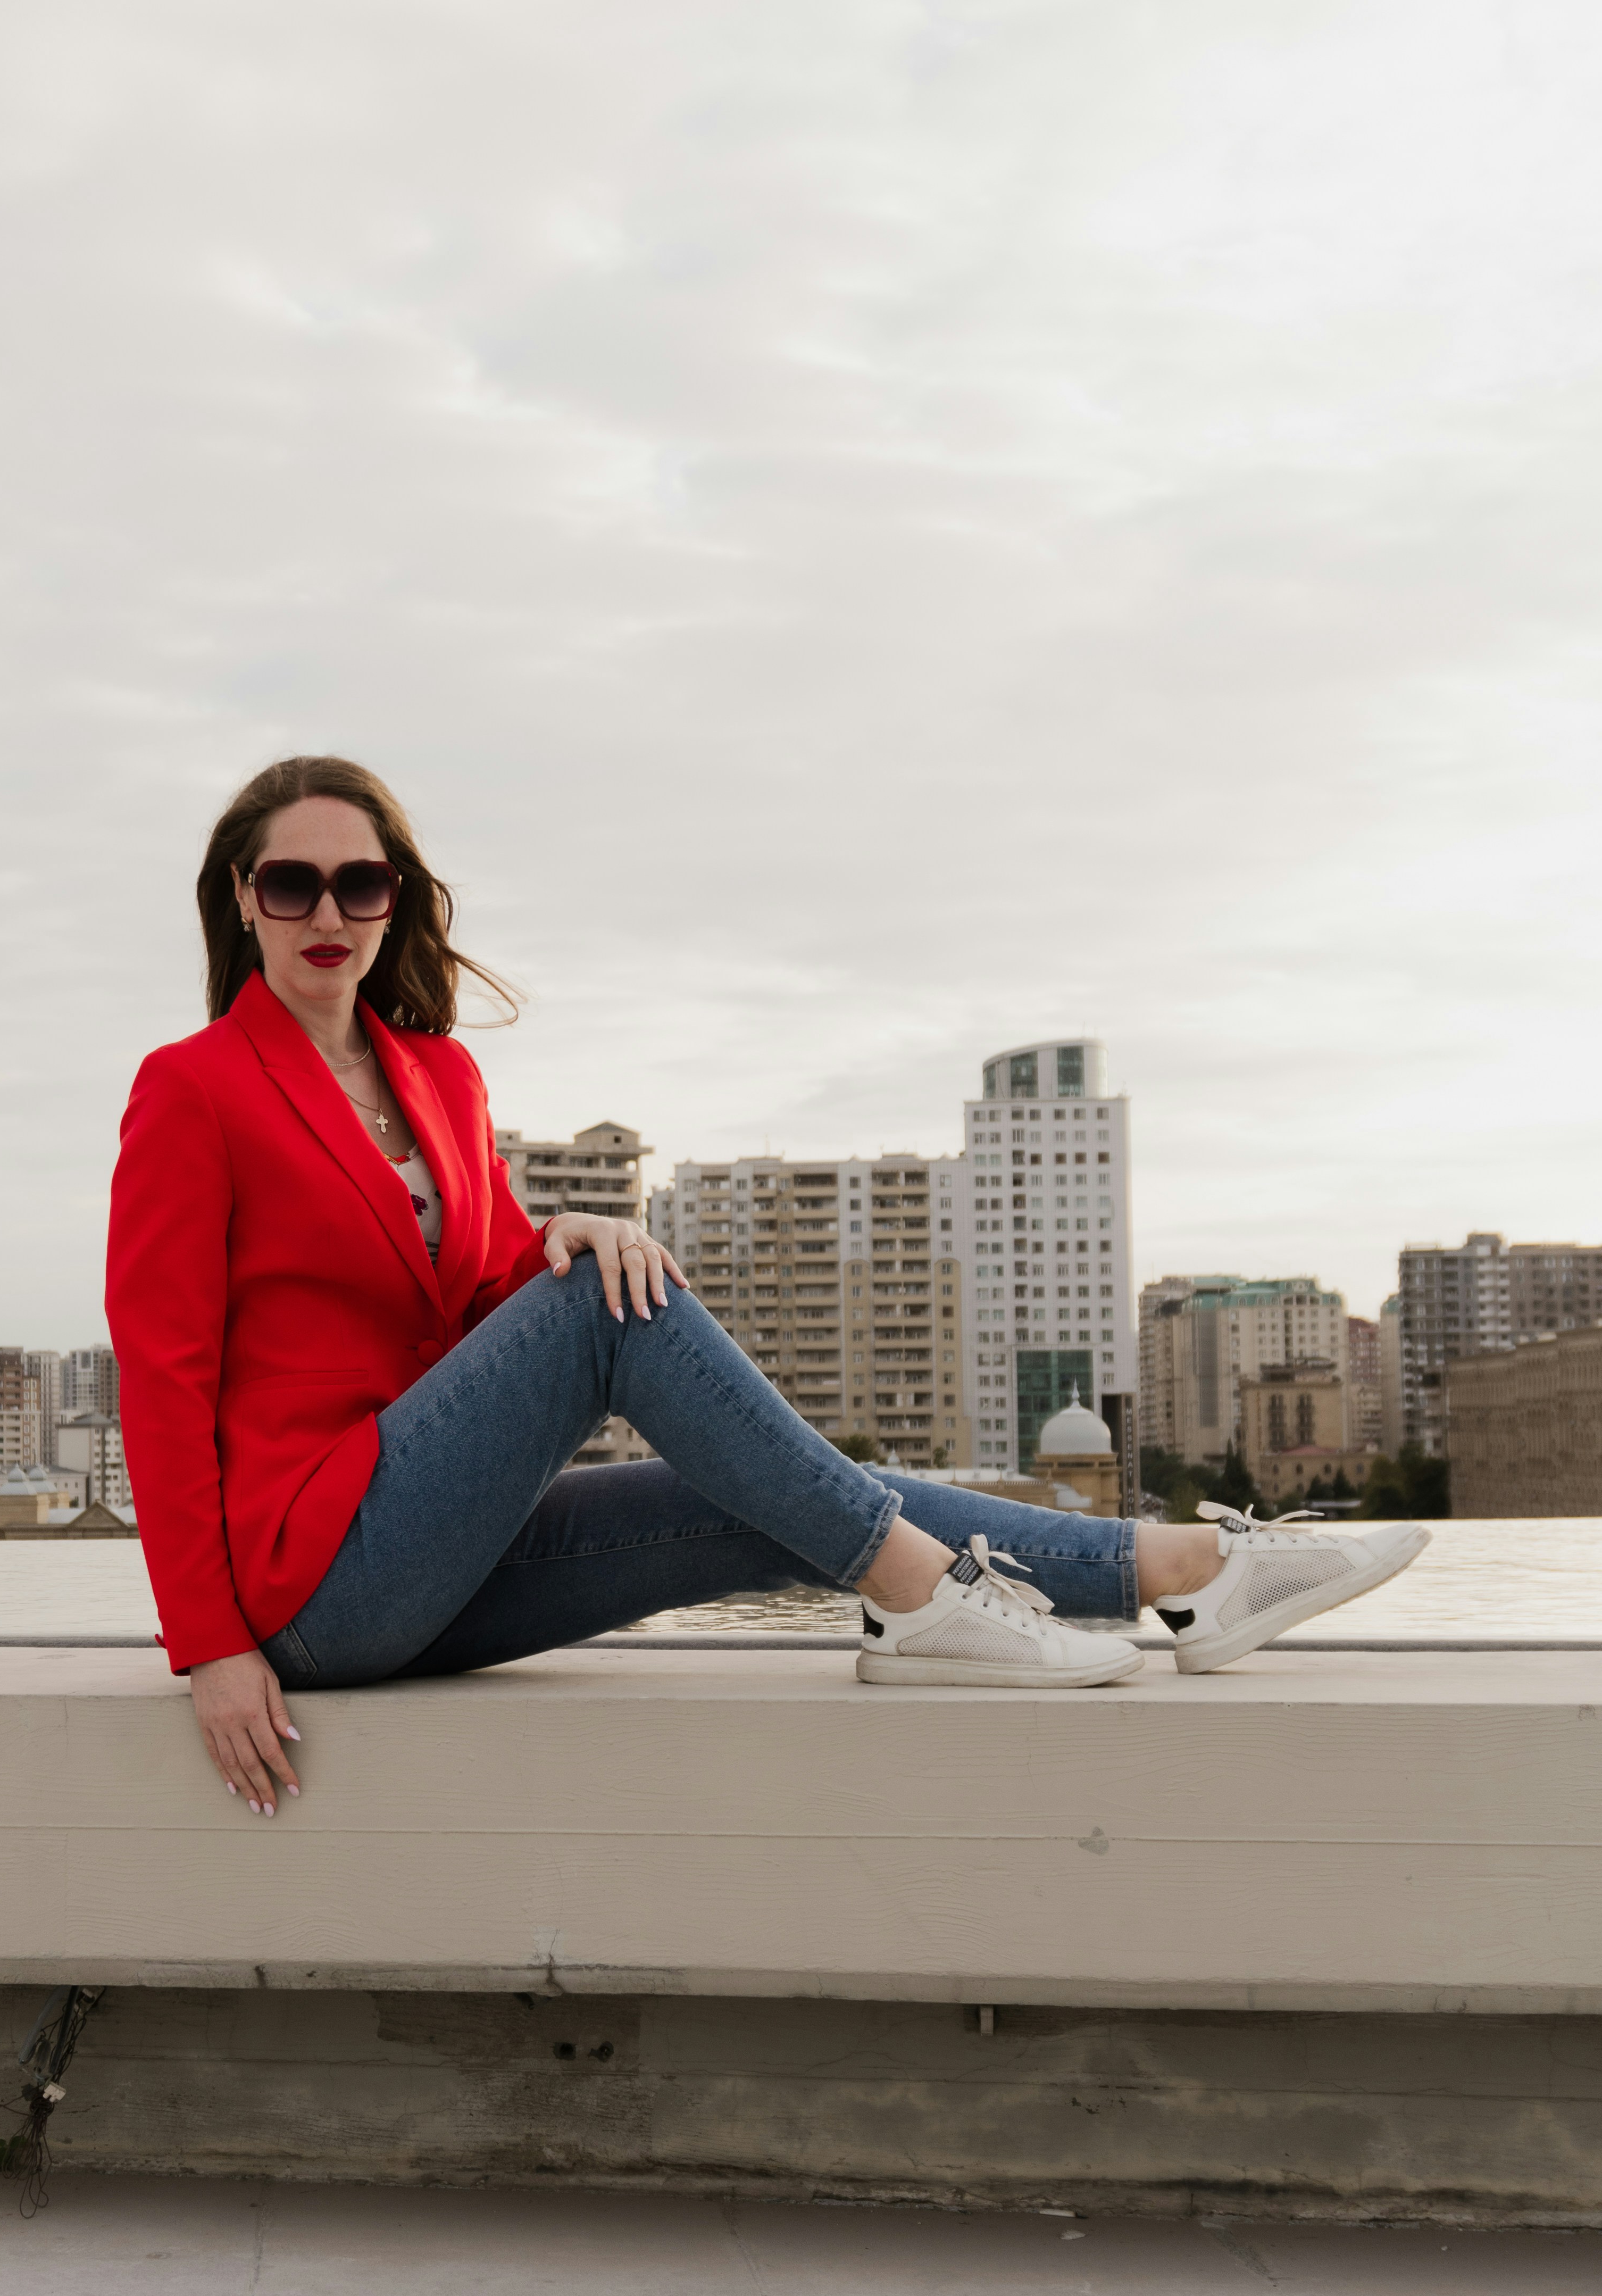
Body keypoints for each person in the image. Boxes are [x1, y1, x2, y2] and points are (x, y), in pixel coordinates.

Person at [106, 756, 1427, 1812]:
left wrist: (573, 1229)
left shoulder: (437, 1078)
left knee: (757, 1492)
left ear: (395, 898)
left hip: (442, 1551)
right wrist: (209, 1646)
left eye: (358, 883)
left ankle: (1184, 1571)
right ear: (243, 898)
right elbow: (161, 1381)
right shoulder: (193, 1089)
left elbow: (483, 1289)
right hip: (309, 1582)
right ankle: (925, 1605)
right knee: (615, 1312)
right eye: (291, 885)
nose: (326, 915)